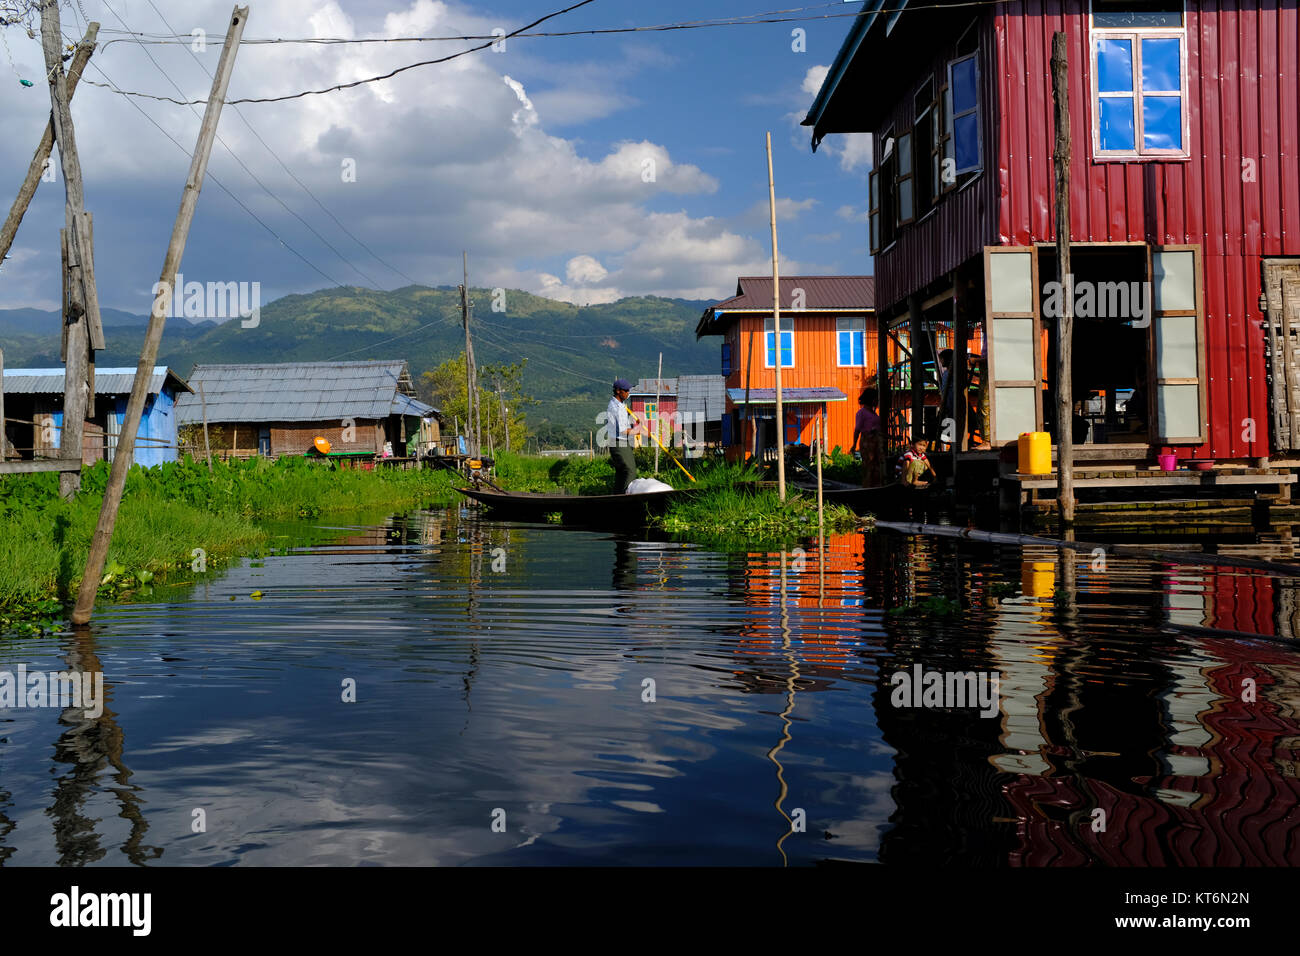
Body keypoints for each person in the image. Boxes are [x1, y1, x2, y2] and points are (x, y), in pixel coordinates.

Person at [606, 378, 638, 492]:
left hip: (619, 441)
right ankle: (627, 496)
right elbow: (623, 430)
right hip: (619, 442)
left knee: (621, 472)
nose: (628, 393)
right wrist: (640, 432)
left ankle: (617, 496)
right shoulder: (616, 408)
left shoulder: (620, 404)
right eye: (626, 390)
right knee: (630, 470)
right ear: (618, 391)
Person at [852, 387, 884, 487]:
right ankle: (867, 487)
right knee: (869, 465)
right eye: (876, 399)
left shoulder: (874, 413)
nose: (877, 401)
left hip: (877, 442)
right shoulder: (861, 413)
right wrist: (854, 444)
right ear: (872, 399)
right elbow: (857, 429)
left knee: (877, 465)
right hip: (868, 442)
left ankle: (876, 486)